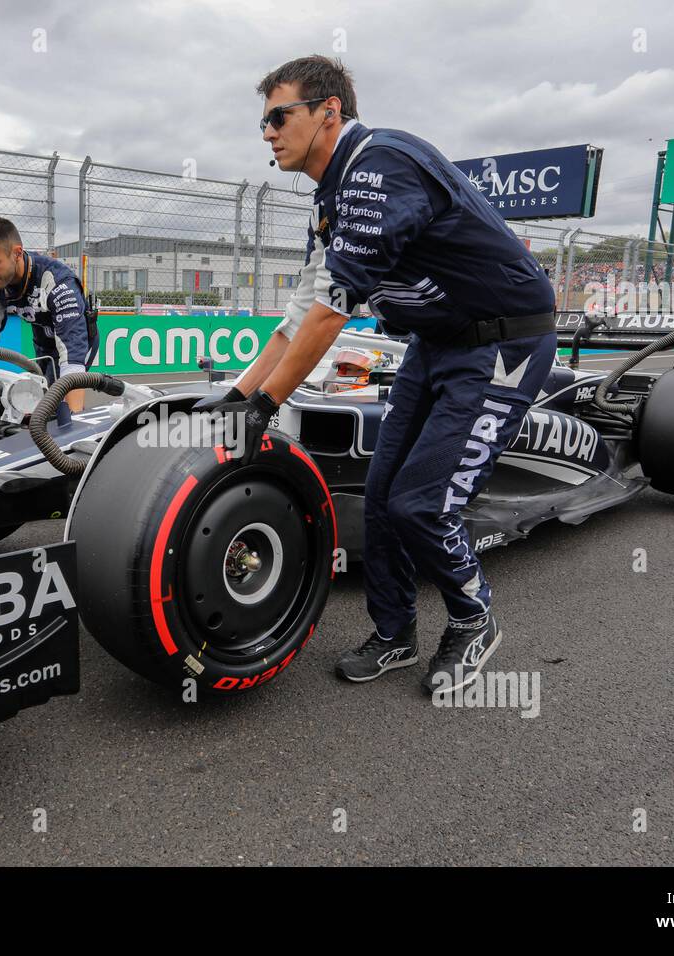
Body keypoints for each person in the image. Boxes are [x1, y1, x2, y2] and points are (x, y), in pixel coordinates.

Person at [196, 55, 557, 696]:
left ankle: (474, 617)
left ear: (328, 111)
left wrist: (263, 408)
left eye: (279, 116)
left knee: (425, 503)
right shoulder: (328, 200)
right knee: (384, 496)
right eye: (264, 120)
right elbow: (298, 320)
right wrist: (237, 398)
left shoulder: (376, 167)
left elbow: (331, 315)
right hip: (436, 342)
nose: (267, 132)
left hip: (504, 344)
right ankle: (395, 633)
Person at [0, 217, 98, 413]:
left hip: (74, 340)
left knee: (61, 406)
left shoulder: (58, 283)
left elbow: (72, 358)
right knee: (39, 400)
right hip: (43, 340)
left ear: (17, 253)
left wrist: (74, 423)